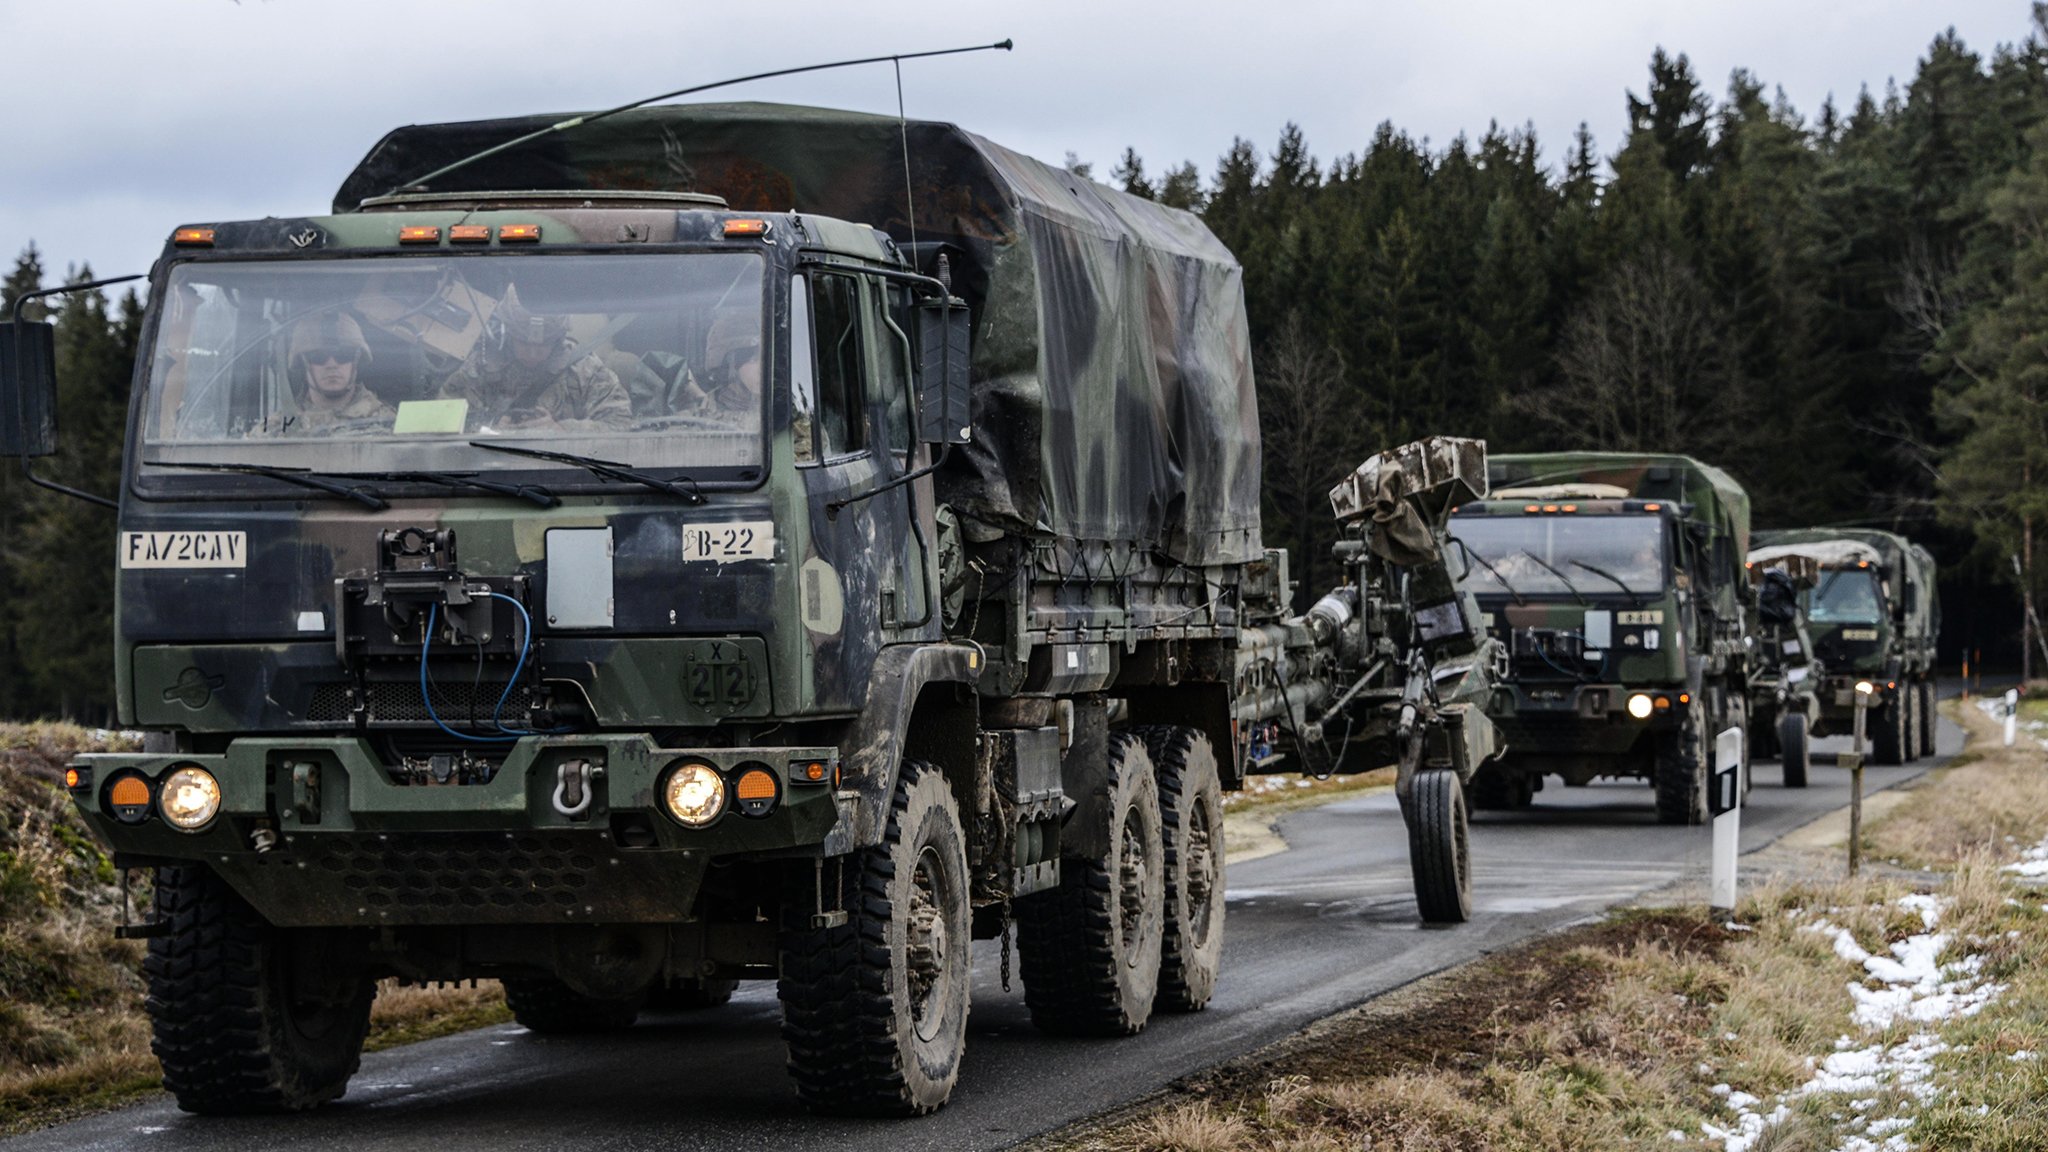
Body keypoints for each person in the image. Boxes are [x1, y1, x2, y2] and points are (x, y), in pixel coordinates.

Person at [441, 285, 632, 434]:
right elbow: (442, 421)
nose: (533, 354)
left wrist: (560, 430)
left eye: (543, 345)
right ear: (509, 336)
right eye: (523, 344)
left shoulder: (585, 372)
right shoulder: (481, 368)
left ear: (557, 340)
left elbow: (620, 424)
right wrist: (490, 428)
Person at [257, 313, 393, 436]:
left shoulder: (390, 424)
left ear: (356, 361)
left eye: (343, 355)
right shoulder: (274, 429)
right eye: (319, 356)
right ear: (304, 363)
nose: (332, 364)